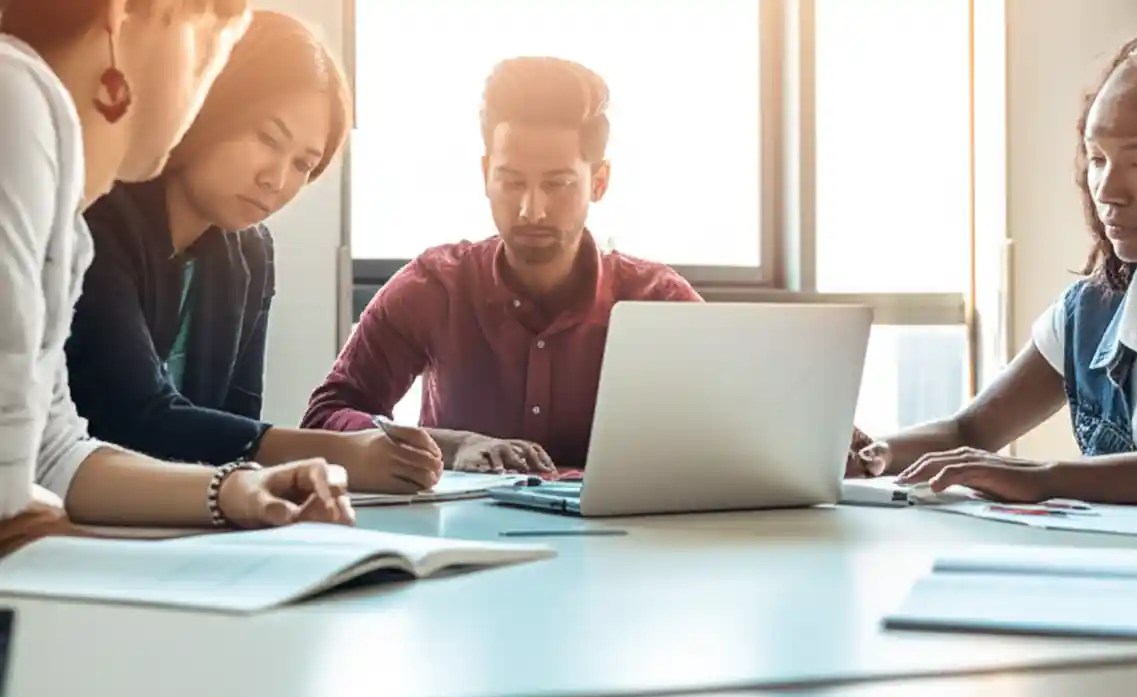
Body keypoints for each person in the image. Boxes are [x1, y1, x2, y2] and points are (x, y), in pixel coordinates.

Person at [852, 20, 1137, 508]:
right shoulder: (1089, 314)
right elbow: (970, 429)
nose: (1108, 191)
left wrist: (1050, 477)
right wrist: (875, 456)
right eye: (1097, 159)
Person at [0, 0, 353, 551]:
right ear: (130, 13)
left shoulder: (69, 210)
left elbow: (50, 453)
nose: (208, 83)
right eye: (213, 45)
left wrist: (234, 490)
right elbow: (11, 504)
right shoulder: (15, 100)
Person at [70, 11, 443, 494]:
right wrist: (340, 453)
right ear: (210, 100)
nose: (277, 180)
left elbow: (238, 424)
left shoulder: (249, 253)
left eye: (303, 165)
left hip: (185, 520)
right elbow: (132, 415)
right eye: (268, 139)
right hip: (77, 513)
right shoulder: (102, 215)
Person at [301, 56, 702, 473]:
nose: (532, 210)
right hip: (459, 534)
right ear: (486, 173)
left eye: (557, 184)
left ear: (598, 182)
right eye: (512, 182)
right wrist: (452, 447)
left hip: (620, 536)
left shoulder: (659, 303)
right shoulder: (436, 286)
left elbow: (721, 441)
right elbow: (324, 419)